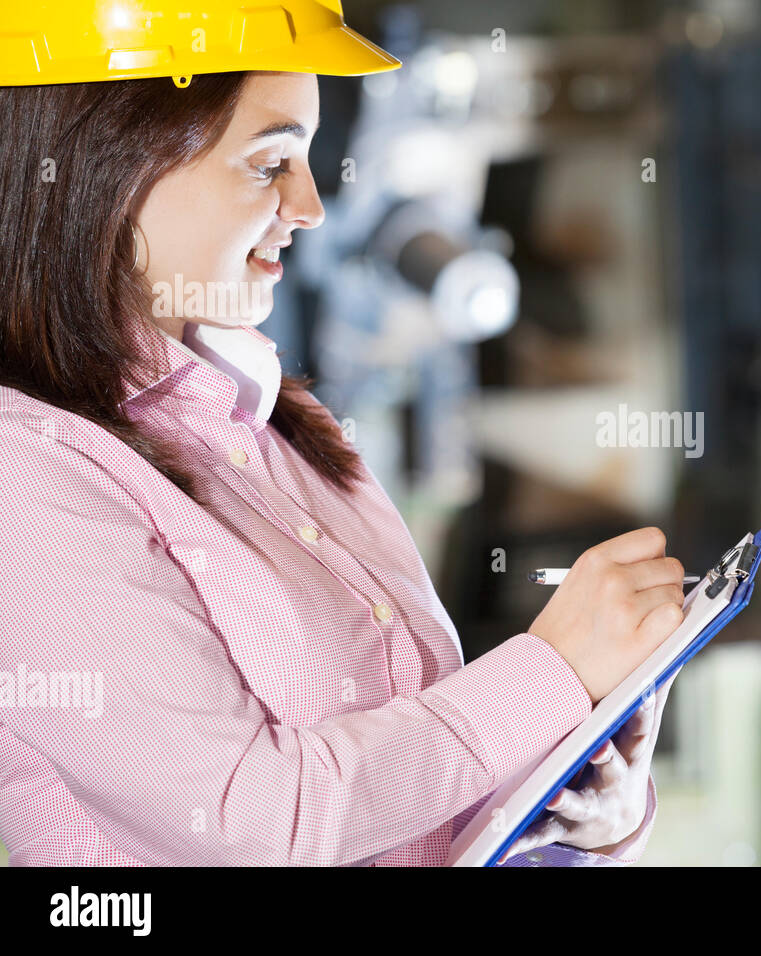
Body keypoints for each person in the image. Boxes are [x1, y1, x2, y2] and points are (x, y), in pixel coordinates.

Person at [0, 1, 685, 866]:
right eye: (269, 162)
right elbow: (254, 825)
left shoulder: (284, 423)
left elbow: (418, 795)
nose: (311, 205)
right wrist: (551, 673)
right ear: (113, 162)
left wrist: (582, 814)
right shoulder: (21, 475)